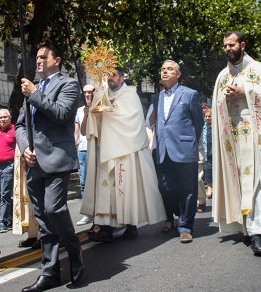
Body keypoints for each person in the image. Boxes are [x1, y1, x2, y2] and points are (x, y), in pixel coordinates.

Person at [211, 30, 261, 257]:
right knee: (237, 183)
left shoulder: (260, 70)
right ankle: (246, 228)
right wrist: (225, 98)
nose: (228, 49)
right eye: (225, 45)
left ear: (242, 45)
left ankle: (259, 233)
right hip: (233, 138)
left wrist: (245, 91)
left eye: (232, 44)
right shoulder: (222, 77)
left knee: (256, 182)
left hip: (257, 137)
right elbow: (217, 106)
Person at [14, 42, 84, 291]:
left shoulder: (68, 84)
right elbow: (20, 125)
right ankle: (50, 272)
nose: (39, 60)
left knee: (54, 209)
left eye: (44, 56)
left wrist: (34, 93)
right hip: (33, 161)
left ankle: (75, 253)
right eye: (37, 57)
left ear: (58, 60)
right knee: (43, 219)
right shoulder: (30, 89)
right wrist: (24, 148)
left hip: (57, 158)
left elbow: (62, 113)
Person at [81, 67, 166, 242]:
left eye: (114, 75)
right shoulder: (100, 94)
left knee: (126, 189)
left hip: (125, 151)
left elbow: (133, 122)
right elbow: (93, 122)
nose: (110, 78)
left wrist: (111, 113)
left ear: (121, 77)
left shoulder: (130, 95)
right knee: (106, 190)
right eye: (108, 75)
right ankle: (105, 228)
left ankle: (131, 226)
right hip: (105, 150)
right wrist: (93, 112)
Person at [154, 60, 204, 244]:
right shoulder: (157, 97)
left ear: (178, 74)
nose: (165, 72)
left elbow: (198, 122)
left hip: (184, 149)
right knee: (165, 187)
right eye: (163, 69)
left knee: (188, 190)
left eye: (169, 69)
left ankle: (185, 227)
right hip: (163, 151)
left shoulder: (190, 94)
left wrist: (189, 142)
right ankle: (176, 215)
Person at [0, 108, 16, 233]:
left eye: (5, 117)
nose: (2, 119)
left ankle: (2, 222)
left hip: (9, 166)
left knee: (5, 195)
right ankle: (13, 217)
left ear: (10, 118)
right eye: (0, 117)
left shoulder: (15, 130)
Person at [12, 144, 41, 249]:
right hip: (22, 150)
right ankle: (33, 234)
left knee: (39, 196)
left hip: (36, 148)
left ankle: (45, 235)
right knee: (25, 195)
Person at [75, 84, 95, 226]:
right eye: (85, 92)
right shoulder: (79, 111)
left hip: (97, 149)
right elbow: (77, 132)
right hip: (82, 149)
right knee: (83, 183)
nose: (87, 94)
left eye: (90, 92)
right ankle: (88, 214)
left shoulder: (100, 107)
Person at [202, 108, 213, 198]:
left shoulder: (216, 127)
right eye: (206, 116)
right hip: (207, 153)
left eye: (209, 116)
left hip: (215, 153)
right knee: (207, 170)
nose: (207, 118)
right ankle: (209, 188)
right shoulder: (203, 127)